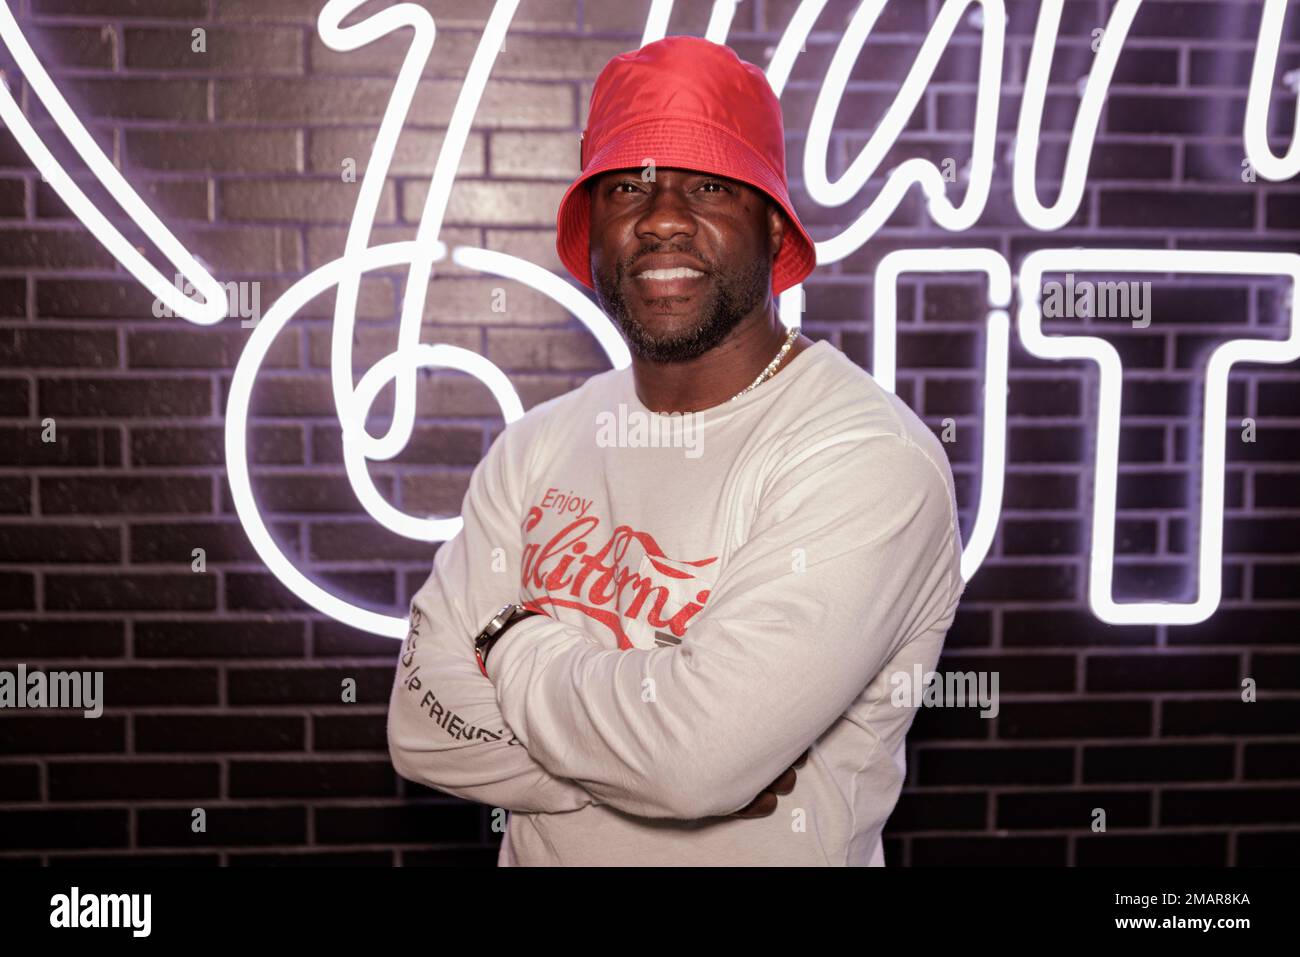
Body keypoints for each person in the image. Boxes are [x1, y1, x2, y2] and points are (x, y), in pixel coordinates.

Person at [387, 35, 965, 866]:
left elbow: (696, 759)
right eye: (627, 186)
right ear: (593, 233)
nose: (661, 217)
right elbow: (421, 726)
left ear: (772, 224)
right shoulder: (536, 444)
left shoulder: (868, 457)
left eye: (706, 184)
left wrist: (511, 636)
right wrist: (637, 772)